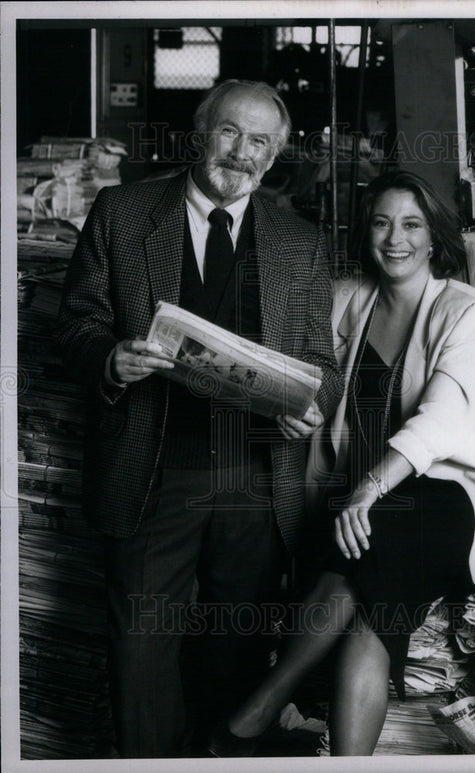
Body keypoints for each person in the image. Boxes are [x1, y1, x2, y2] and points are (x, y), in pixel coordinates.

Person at [56, 79, 342, 758]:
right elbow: (75, 325)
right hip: (154, 467)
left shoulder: (299, 243)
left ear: (274, 157)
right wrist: (109, 357)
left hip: (256, 474)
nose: (241, 153)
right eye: (230, 132)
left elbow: (324, 366)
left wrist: (312, 404)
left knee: (234, 647)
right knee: (141, 647)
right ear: (200, 132)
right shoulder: (124, 214)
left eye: (260, 142)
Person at [210, 170, 475, 757]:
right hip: (362, 493)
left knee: (368, 536)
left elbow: (440, 419)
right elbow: (307, 379)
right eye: (381, 223)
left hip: (453, 490)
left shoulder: (473, 312)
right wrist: (297, 409)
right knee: (371, 609)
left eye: (411, 224)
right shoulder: (345, 298)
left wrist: (367, 491)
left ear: (435, 237)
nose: (395, 239)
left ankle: (260, 705)